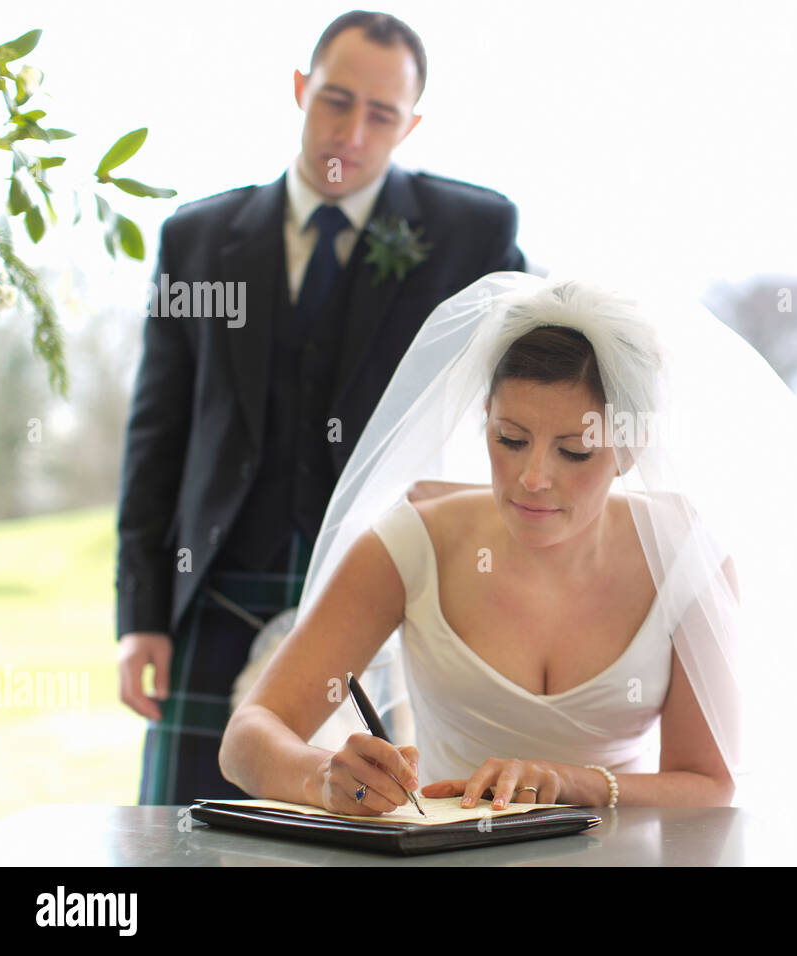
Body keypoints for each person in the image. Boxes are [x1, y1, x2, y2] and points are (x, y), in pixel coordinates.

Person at [219, 273, 797, 863]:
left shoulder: (686, 556)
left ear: (632, 448)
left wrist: (572, 784)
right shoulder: (411, 541)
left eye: (575, 452)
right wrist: (321, 777)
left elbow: (710, 789)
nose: (532, 478)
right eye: (510, 439)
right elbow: (250, 734)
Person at [115, 10, 527, 806]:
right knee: (185, 833)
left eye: (380, 114)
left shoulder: (473, 232)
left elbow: (507, 402)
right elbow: (155, 433)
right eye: (335, 101)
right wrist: (141, 613)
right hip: (221, 584)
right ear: (301, 90)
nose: (352, 131)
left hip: (386, 585)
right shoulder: (197, 240)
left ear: (411, 125)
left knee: (381, 819)